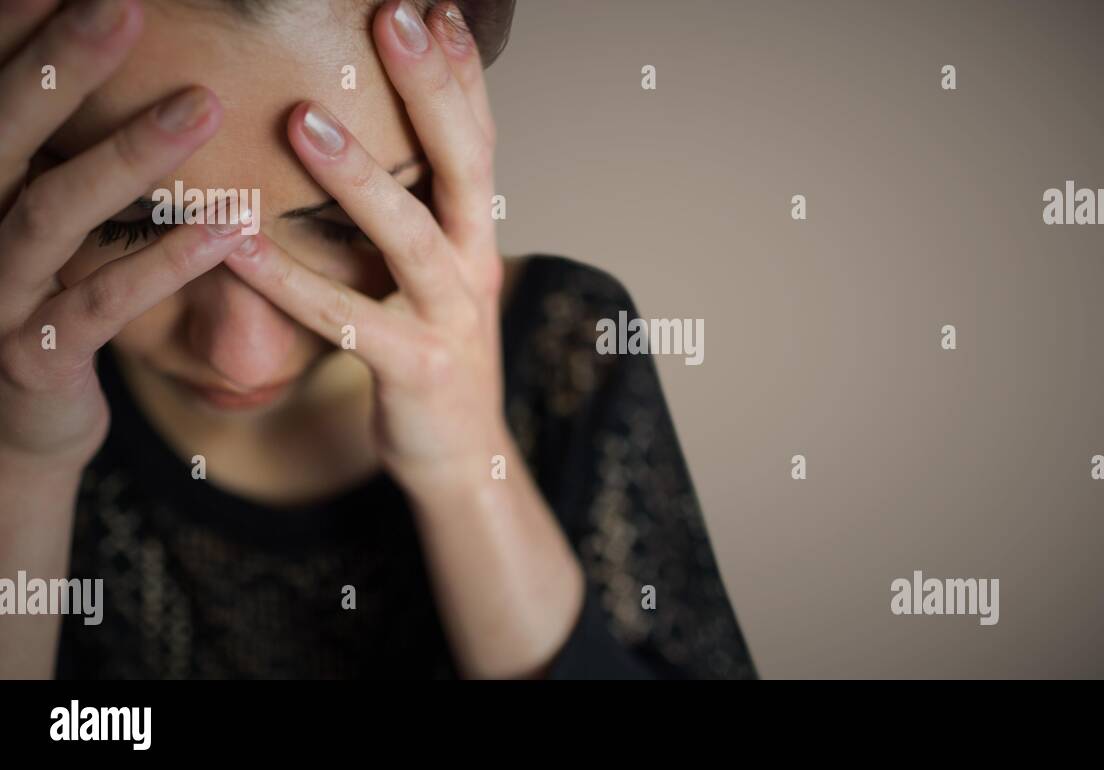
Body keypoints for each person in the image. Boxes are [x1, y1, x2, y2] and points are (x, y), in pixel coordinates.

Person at [0, 0, 755, 679]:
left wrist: (467, 466)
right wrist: (21, 463)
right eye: (128, 223)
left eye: (344, 223)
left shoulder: (570, 343)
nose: (241, 355)